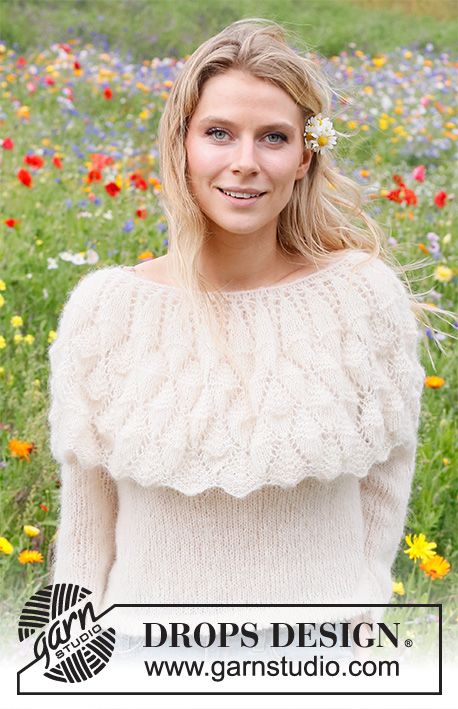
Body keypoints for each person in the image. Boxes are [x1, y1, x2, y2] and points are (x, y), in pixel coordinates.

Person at [47, 18, 441, 667]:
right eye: (219, 133)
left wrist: (362, 601)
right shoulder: (106, 309)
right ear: (181, 144)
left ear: (305, 155)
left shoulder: (364, 299)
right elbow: (85, 528)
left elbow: (386, 475)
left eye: (274, 138)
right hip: (144, 658)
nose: (245, 162)